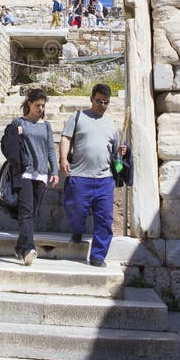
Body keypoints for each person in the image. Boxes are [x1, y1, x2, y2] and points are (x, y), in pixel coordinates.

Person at [59, 84, 127, 267]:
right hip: (80, 176)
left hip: (104, 179)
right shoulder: (78, 117)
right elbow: (66, 138)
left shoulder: (113, 126)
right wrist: (63, 158)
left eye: (106, 102)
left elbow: (117, 159)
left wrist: (122, 152)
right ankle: (77, 229)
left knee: (105, 219)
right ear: (91, 99)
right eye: (99, 101)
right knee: (76, 210)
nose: (102, 105)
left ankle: (98, 256)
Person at [2, 87, 58, 265]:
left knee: (32, 214)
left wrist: (54, 171)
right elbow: (9, 146)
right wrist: (15, 134)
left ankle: (20, 247)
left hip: (41, 174)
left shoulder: (46, 126)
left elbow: (50, 149)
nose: (41, 109)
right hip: (24, 173)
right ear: (29, 104)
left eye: (43, 106)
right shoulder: (18, 122)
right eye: (37, 105)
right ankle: (29, 249)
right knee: (26, 212)